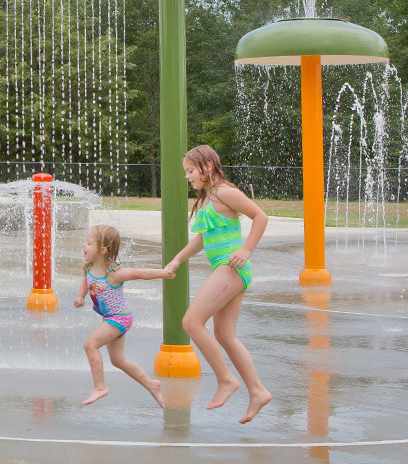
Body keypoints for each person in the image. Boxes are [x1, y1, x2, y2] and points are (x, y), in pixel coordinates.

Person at [163, 144, 272, 424]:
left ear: (207, 167)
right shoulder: (209, 197)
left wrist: (246, 249)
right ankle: (258, 391)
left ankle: (225, 380)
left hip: (231, 266)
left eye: (190, 171)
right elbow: (202, 239)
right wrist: (177, 260)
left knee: (191, 322)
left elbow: (260, 216)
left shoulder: (224, 191)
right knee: (224, 335)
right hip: (227, 268)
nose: (187, 177)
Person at [74, 224, 174, 407]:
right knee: (118, 360)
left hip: (119, 319)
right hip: (110, 318)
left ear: (102, 250)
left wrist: (164, 273)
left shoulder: (114, 274)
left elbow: (141, 273)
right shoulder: (88, 266)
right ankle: (152, 385)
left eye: (89, 243)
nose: (84, 246)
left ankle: (100, 386)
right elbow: (86, 279)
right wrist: (81, 296)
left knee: (90, 345)